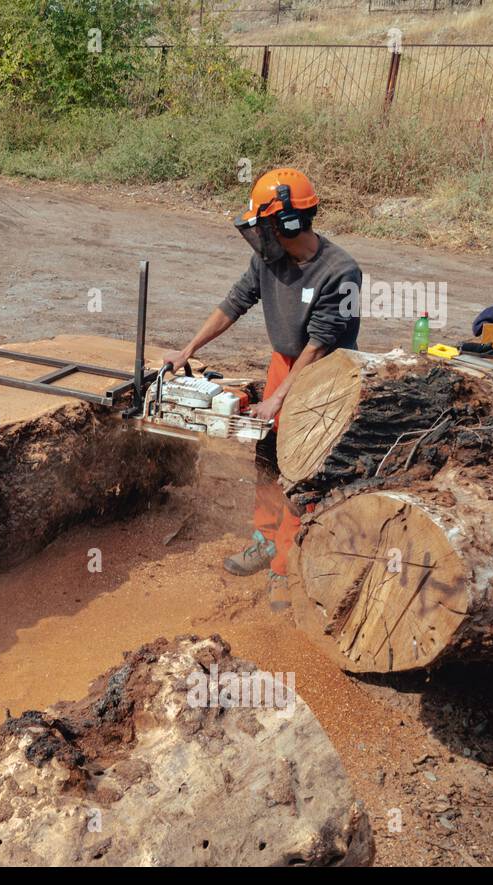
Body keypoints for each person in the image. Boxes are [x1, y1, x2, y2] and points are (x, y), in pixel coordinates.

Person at [160, 167, 362, 612]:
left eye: (263, 224)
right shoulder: (268, 260)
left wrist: (277, 399)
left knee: (299, 472)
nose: (258, 234)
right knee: (267, 458)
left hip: (324, 377)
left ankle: (285, 570)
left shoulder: (341, 272)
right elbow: (234, 302)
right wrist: (186, 348)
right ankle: (264, 539)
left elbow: (318, 345)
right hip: (282, 366)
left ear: (287, 223)